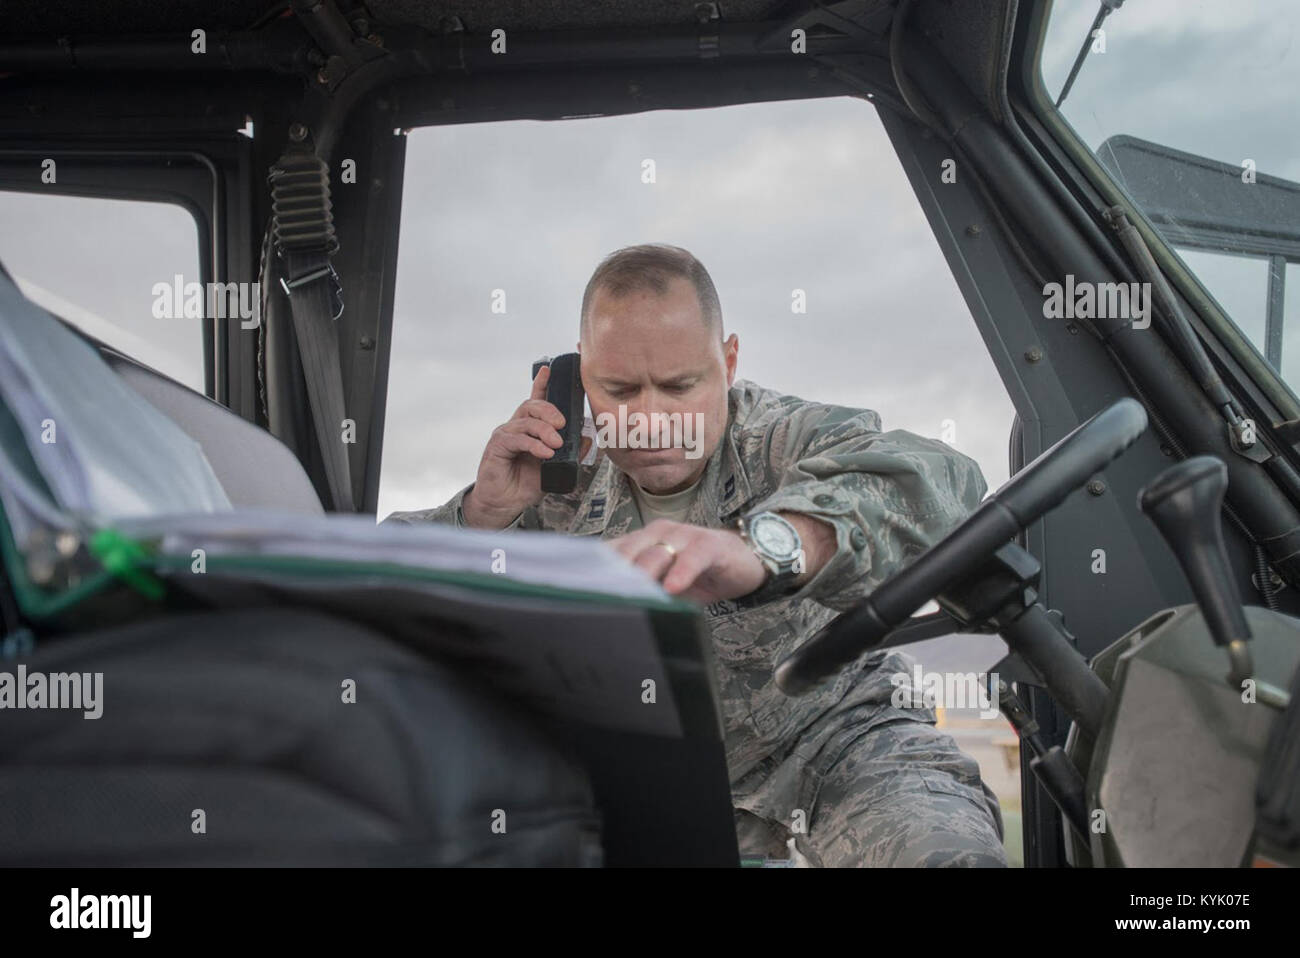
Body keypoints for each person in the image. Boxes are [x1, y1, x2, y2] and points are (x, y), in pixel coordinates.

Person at [384, 243, 1007, 867]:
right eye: (620, 389)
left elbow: (941, 481)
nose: (652, 418)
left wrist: (770, 546)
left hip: (834, 746)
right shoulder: (547, 478)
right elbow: (371, 592)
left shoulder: (785, 440)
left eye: (681, 385)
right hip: (626, 773)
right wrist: (481, 517)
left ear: (728, 362)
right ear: (575, 378)